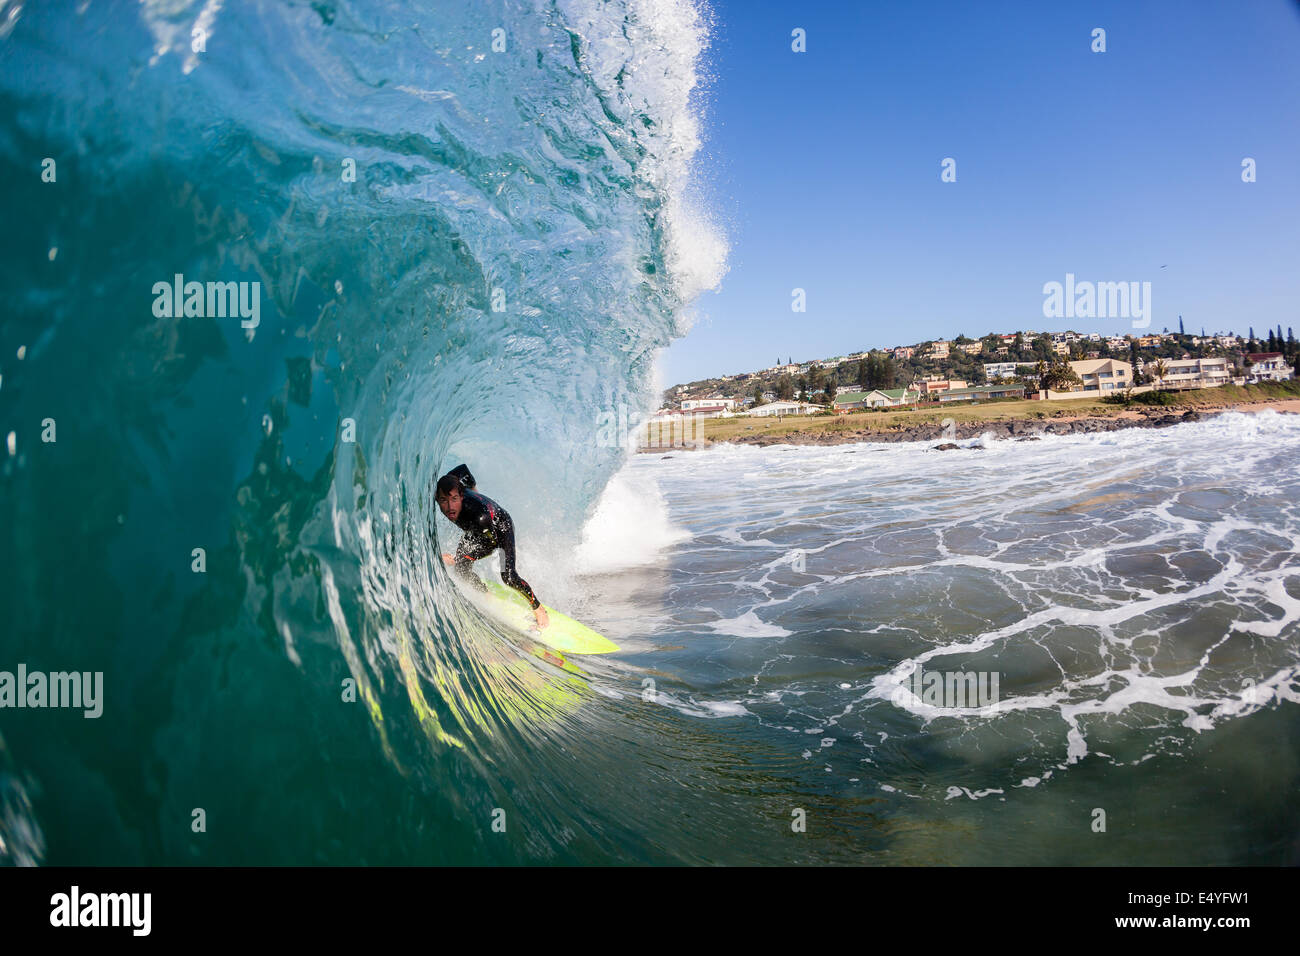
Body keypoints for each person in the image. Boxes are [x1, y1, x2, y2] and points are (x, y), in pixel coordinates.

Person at [434, 464, 549, 629]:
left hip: (499, 527)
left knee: (508, 576)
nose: (450, 508)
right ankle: (485, 593)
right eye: (444, 501)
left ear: (461, 496)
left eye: (454, 500)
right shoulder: (450, 484)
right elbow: (462, 470)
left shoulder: (479, 517)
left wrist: (456, 557)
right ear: (437, 498)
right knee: (461, 570)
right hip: (477, 528)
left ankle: (539, 609)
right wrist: (474, 491)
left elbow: (491, 544)